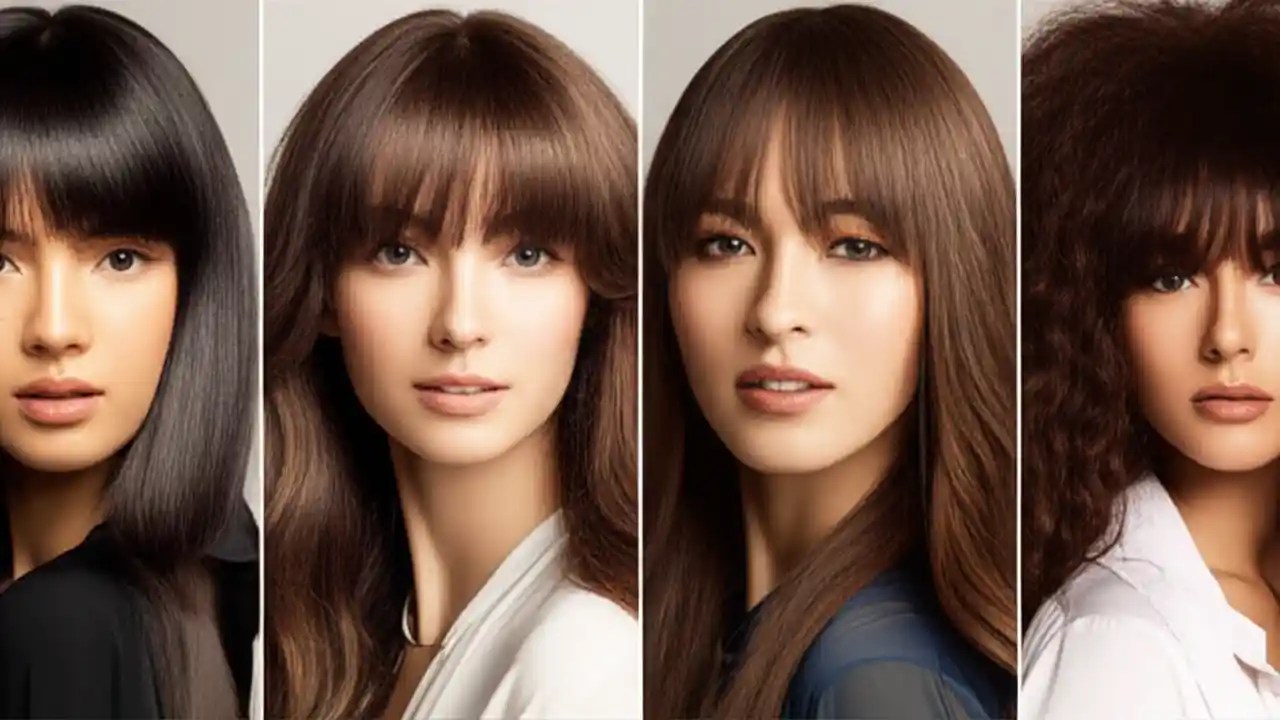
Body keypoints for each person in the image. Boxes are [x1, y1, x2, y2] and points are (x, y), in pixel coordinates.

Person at [642, 4, 1016, 718]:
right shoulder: (702, 620)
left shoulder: (876, 682)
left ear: (954, 282)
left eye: (853, 246)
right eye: (726, 243)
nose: (776, 310)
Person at [263, 9, 639, 719]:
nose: (461, 324)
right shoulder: (341, 639)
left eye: (527, 254)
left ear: (595, 291)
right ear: (322, 296)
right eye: (398, 251)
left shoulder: (586, 662)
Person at [1021, 1, 1280, 716]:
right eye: (1171, 277)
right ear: (1094, 314)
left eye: (1274, 272)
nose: (1227, 335)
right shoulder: (1118, 643)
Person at [0, 6, 259, 719]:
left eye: (119, 259)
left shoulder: (60, 630)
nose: (54, 329)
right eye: (1, 262)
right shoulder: (226, 561)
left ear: (194, 284)